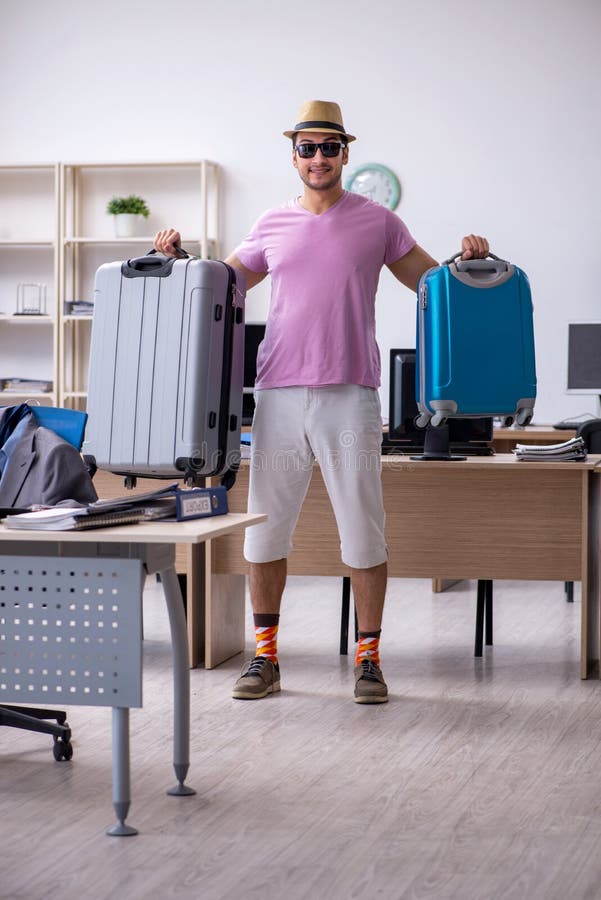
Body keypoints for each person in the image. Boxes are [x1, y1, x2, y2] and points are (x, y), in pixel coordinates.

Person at [154, 99, 489, 705]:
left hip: (350, 395)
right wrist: (179, 263)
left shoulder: (378, 222)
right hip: (279, 395)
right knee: (264, 534)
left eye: (328, 147)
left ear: (344, 153)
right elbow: (221, 284)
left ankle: (369, 662)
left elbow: (431, 284)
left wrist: (467, 262)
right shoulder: (271, 223)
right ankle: (265, 658)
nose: (318, 157)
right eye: (306, 148)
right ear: (294, 156)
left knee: (363, 532)